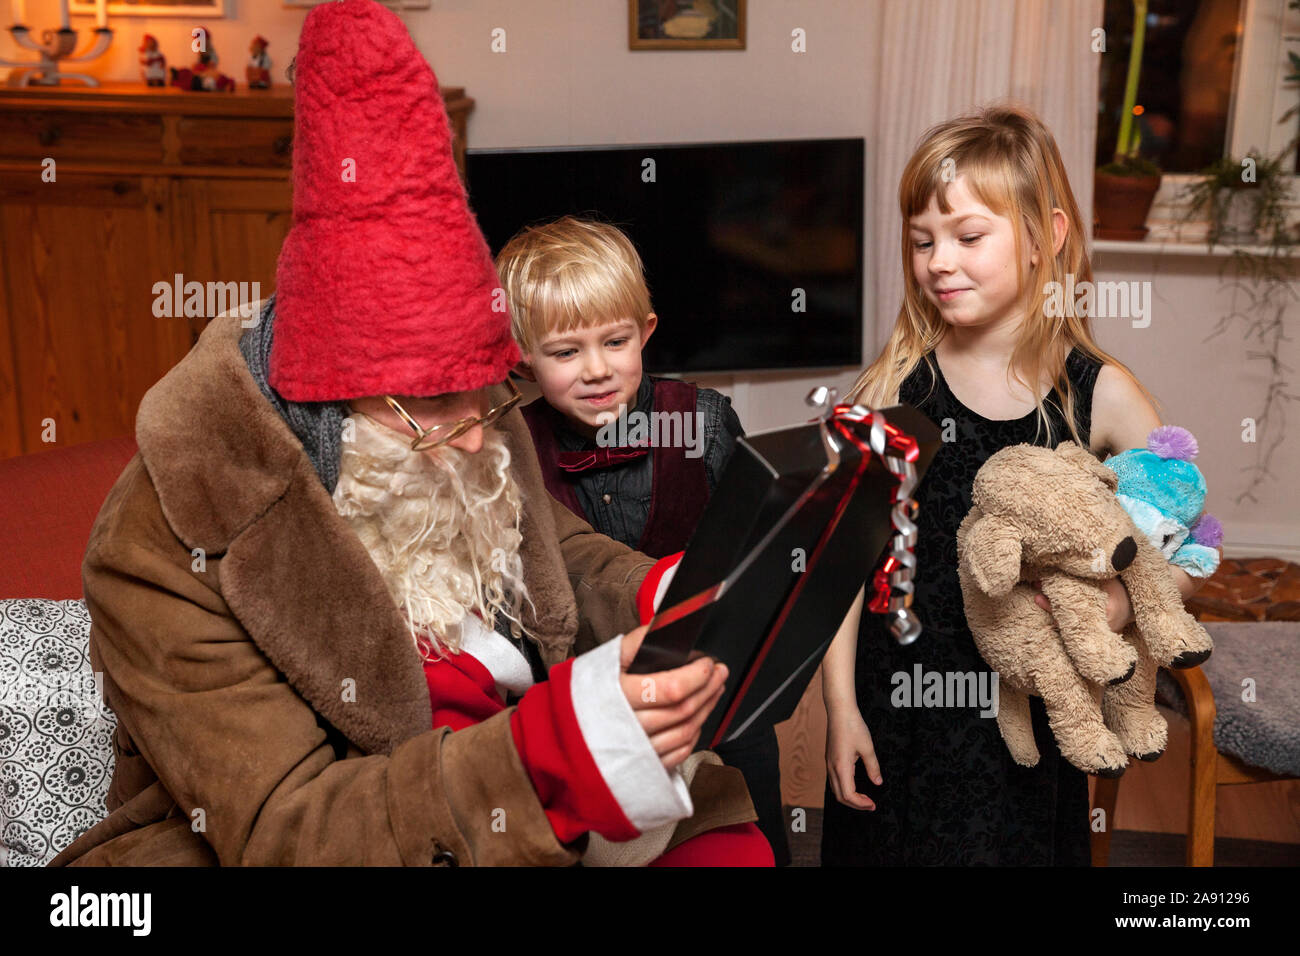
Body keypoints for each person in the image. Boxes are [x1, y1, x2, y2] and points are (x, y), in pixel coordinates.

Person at [48, 0, 769, 868]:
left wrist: (654, 594)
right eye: (429, 408)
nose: (476, 438)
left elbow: (556, 552)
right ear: (327, 400)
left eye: (484, 394)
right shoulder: (167, 536)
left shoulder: (461, 416)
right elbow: (289, 830)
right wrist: (548, 751)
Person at [819, 104, 1210, 866]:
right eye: (923, 240)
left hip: (1027, 718)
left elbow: (1181, 545)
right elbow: (839, 561)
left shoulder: (1102, 395)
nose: (938, 261)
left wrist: (1116, 602)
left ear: (1045, 237)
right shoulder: (893, 387)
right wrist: (839, 708)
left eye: (968, 237)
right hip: (897, 701)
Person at [496, 215, 791, 866]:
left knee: (751, 837)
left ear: (646, 332)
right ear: (521, 356)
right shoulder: (506, 447)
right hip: (589, 717)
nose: (598, 370)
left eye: (616, 342)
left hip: (719, 705)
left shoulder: (705, 423)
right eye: (566, 352)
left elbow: (756, 565)